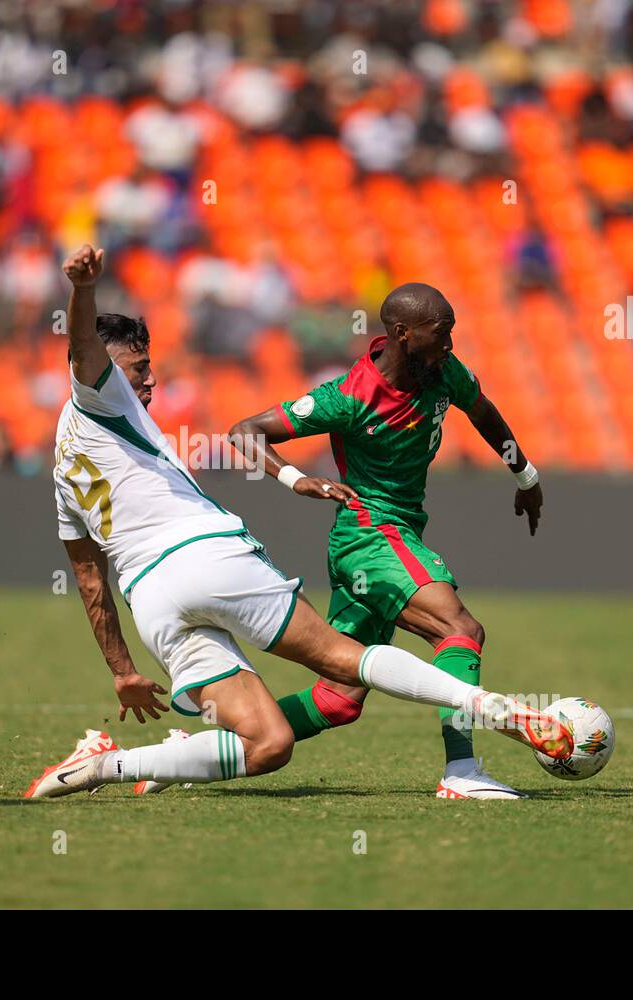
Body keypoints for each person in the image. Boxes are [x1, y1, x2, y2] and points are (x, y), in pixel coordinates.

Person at [23, 246, 572, 800]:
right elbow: (90, 351)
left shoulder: (65, 464)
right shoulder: (103, 391)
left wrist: (121, 670)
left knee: (297, 725)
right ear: (404, 333)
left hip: (152, 600)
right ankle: (475, 751)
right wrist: (83, 288)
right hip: (252, 551)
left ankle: (125, 762)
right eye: (140, 368)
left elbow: (91, 581)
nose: (151, 381)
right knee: (446, 633)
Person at [227, 283, 545, 799]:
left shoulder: (442, 370)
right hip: (370, 533)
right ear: (402, 333)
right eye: (441, 333)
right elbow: (244, 431)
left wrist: (525, 476)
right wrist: (294, 478)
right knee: (458, 628)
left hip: (392, 534)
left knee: (339, 697)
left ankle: (199, 748)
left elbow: (482, 411)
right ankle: (462, 772)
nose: (450, 343)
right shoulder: (349, 397)